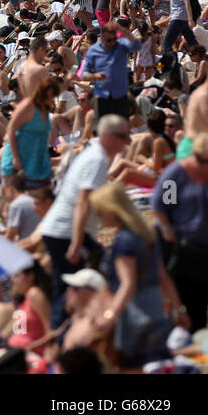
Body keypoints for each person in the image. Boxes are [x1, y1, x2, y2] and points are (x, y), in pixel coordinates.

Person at [36, 115, 130, 329]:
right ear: (107, 136)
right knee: (72, 287)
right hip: (66, 232)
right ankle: (61, 336)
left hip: (66, 230)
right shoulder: (97, 160)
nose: (127, 142)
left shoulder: (95, 154)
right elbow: (83, 202)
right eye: (122, 136)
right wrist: (77, 243)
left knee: (76, 282)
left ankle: (70, 331)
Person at [89, 182, 182, 370]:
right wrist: (179, 309)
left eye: (100, 211)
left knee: (131, 367)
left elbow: (128, 284)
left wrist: (109, 316)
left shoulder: (124, 241)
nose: (97, 216)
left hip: (134, 314)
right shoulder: (146, 234)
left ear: (112, 209)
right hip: (155, 308)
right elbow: (163, 275)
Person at [150, 132, 208, 332]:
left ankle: (197, 335)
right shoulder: (177, 173)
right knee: (177, 296)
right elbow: (163, 205)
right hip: (177, 243)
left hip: (205, 246)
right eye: (201, 160)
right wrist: (167, 229)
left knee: (200, 297)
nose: (205, 165)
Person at [79, 21, 140, 121]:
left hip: (120, 95)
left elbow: (137, 45)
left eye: (114, 39)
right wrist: (95, 76)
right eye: (109, 40)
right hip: (102, 96)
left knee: (121, 128)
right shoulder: (93, 50)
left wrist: (123, 30)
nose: (112, 42)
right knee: (103, 129)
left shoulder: (121, 45)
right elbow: (84, 74)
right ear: (102, 36)